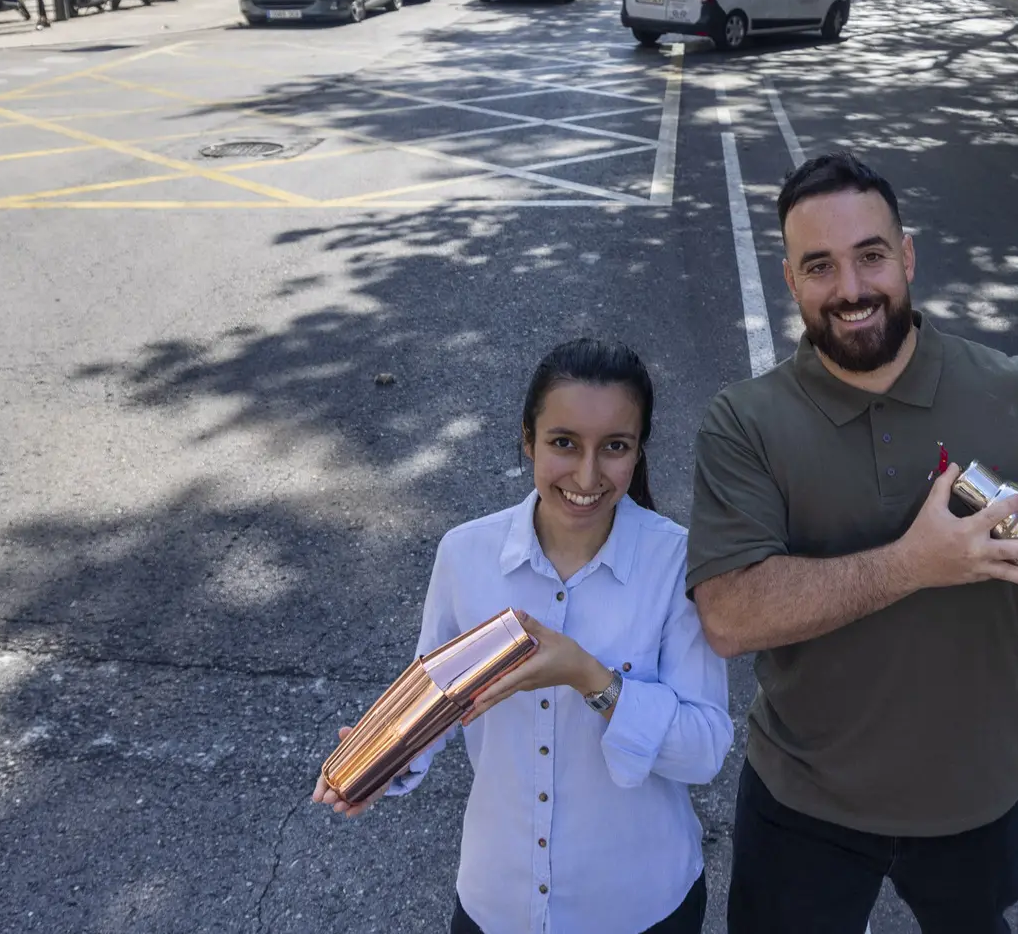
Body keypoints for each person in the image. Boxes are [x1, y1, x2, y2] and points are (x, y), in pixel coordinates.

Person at [688, 152, 1018, 934]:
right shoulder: (745, 423)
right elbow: (728, 615)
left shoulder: (1014, 389)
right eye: (819, 266)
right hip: (803, 803)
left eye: (871, 256)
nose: (851, 290)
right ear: (790, 281)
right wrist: (912, 565)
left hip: (979, 803)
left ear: (908, 256)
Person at [313, 339, 732, 934]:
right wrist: (389, 756)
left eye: (615, 447)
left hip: (640, 905)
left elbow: (705, 750)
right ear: (527, 440)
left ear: (638, 453)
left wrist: (592, 678)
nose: (587, 476)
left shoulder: (676, 563)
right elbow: (438, 699)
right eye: (564, 443)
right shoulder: (466, 554)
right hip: (497, 902)